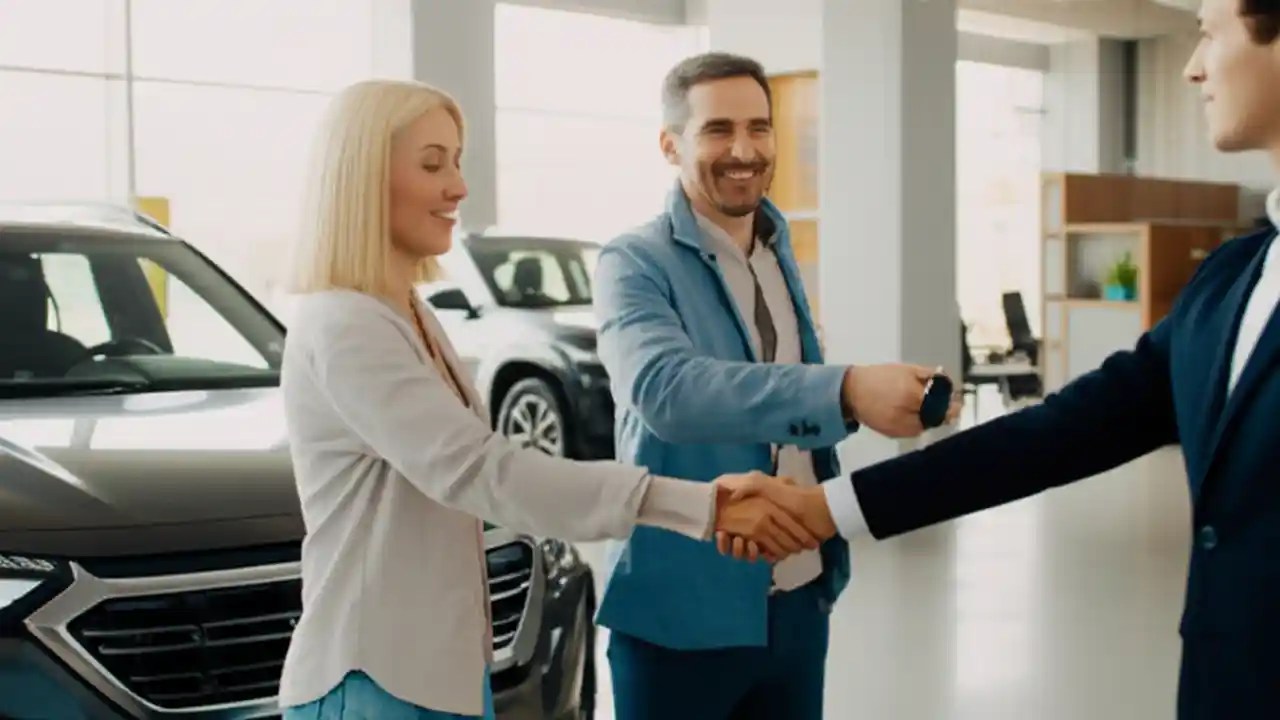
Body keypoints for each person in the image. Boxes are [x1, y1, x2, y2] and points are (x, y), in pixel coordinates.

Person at [720, 2, 1280, 717]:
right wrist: (826, 508)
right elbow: (1058, 434)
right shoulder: (1229, 280)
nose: (1192, 64)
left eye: (1210, 28)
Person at [275, 79, 818, 720]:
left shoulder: (405, 313)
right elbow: (483, 470)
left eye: (456, 161)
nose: (458, 187)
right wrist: (701, 504)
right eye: (432, 163)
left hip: (433, 673)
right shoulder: (346, 324)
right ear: (362, 177)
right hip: (372, 678)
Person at [591, 52, 960, 720]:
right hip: (682, 609)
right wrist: (846, 391)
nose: (744, 149)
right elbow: (667, 390)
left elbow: (778, 383)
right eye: (718, 129)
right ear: (670, 144)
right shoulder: (632, 261)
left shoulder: (775, 242)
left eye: (760, 128)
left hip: (798, 593)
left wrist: (883, 396)